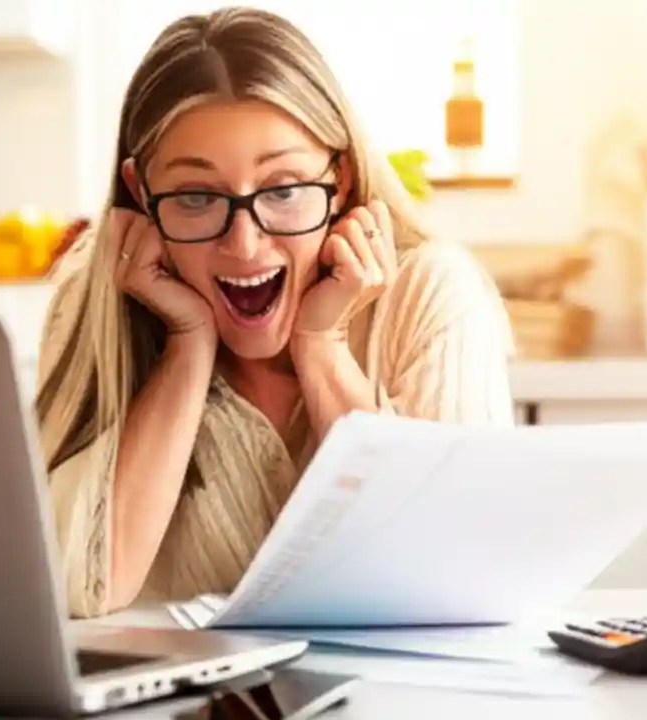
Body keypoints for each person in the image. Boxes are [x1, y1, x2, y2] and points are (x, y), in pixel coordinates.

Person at [35, 6, 515, 619]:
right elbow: (78, 589)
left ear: (339, 182)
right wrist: (186, 346)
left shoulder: (429, 294)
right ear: (140, 193)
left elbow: (455, 577)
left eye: (284, 190)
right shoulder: (93, 310)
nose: (244, 244)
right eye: (197, 197)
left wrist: (323, 346)